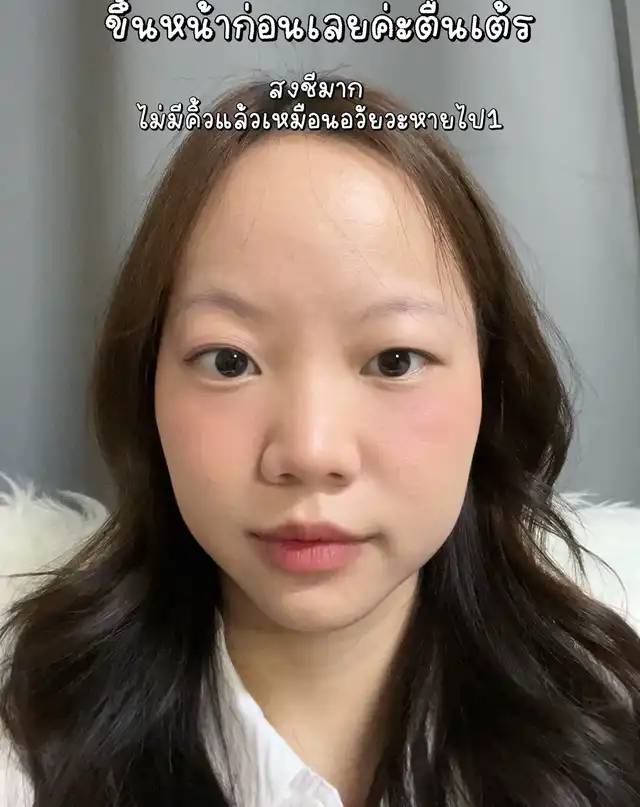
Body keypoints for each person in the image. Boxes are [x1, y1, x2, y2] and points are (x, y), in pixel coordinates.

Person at [1, 75, 639, 807]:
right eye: (229, 361)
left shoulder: (610, 735)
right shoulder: (28, 757)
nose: (310, 452)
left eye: (394, 360)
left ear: (492, 391)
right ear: (147, 390)